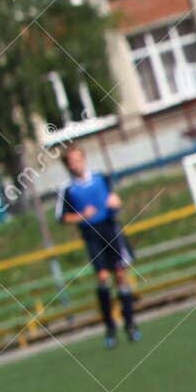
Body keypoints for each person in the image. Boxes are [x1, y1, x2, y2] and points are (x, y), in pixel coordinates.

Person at [57, 145, 139, 349]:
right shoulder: (67, 188)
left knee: (120, 275)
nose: (76, 164)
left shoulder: (100, 178)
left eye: (78, 159)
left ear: (84, 159)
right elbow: (61, 217)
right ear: (67, 166)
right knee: (102, 278)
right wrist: (81, 215)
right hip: (92, 235)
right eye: (71, 162)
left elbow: (114, 199)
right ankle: (110, 328)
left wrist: (115, 202)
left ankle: (130, 324)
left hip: (111, 229)